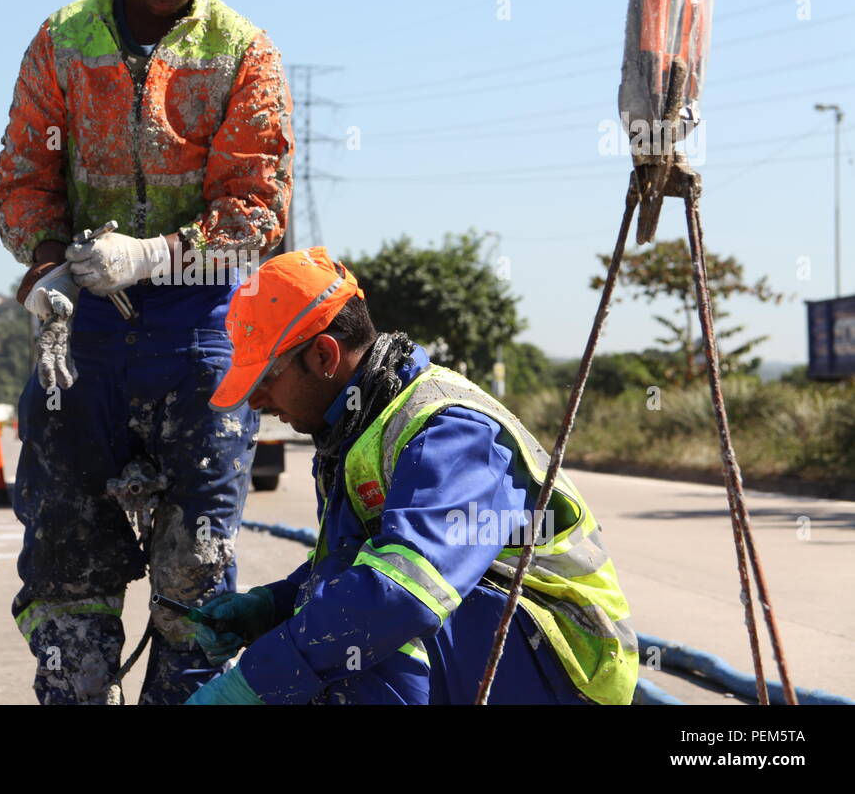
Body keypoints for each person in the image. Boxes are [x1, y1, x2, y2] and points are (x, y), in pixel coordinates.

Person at [0, 0, 295, 704]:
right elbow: (23, 183)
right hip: (83, 335)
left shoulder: (243, 52)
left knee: (197, 576)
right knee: (65, 557)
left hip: (200, 337)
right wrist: (48, 266)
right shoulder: (64, 42)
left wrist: (158, 255)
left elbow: (257, 208)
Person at [185, 248, 639, 705]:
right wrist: (272, 606)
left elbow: (401, 593)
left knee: (364, 627)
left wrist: (251, 683)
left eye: (266, 377)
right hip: (509, 642)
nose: (257, 401)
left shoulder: (449, 430)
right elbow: (356, 562)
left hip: (570, 663)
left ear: (324, 354)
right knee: (340, 613)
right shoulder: (359, 427)